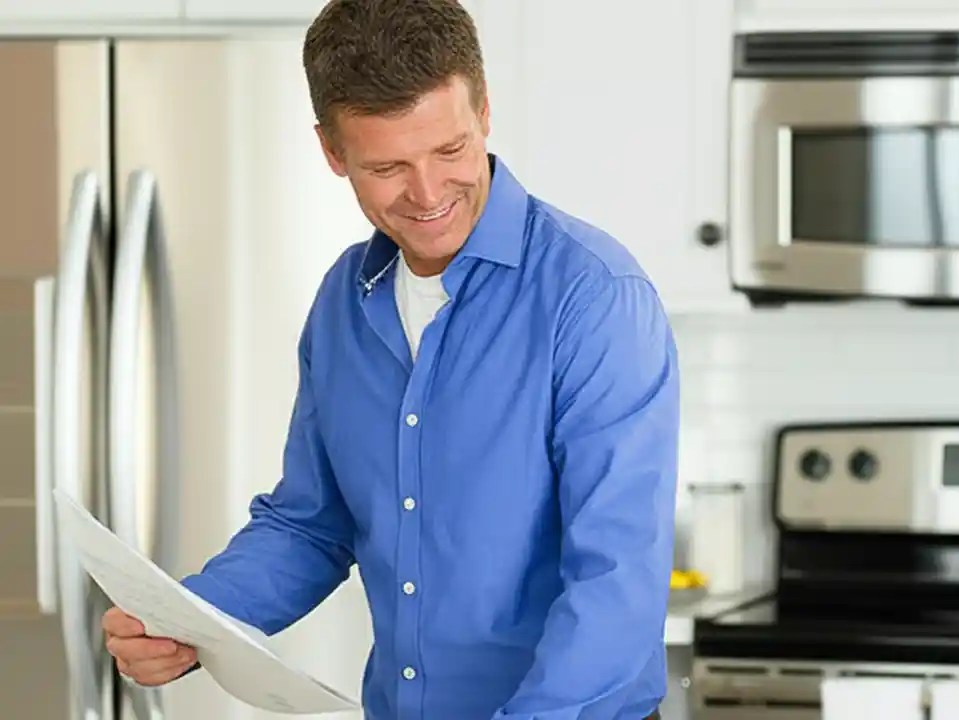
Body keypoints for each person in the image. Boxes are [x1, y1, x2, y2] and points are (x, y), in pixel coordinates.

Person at [99, 1, 679, 718]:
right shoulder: (345, 301)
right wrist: (188, 622)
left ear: (484, 111)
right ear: (332, 152)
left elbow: (617, 585)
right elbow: (311, 523)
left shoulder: (592, 297)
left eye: (450, 150)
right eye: (388, 166)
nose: (429, 194)